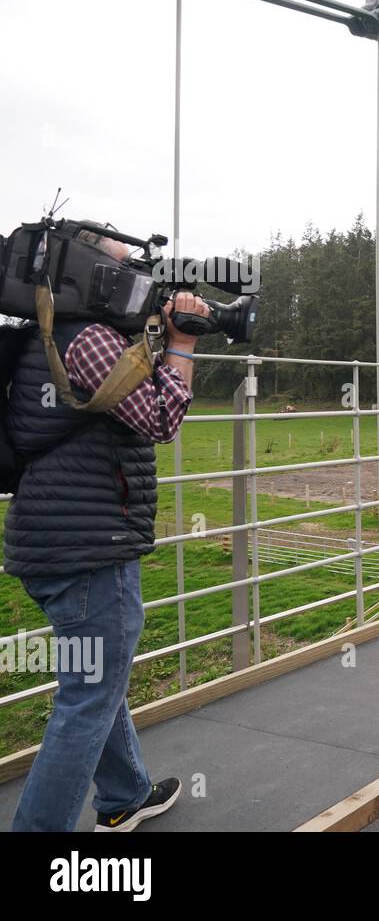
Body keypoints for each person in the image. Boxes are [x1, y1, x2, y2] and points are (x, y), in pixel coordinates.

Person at [7, 230, 208, 832]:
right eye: (124, 270)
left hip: (56, 543)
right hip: (90, 550)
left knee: (95, 677)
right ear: (88, 272)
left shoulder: (52, 333)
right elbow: (161, 417)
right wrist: (181, 343)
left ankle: (124, 795)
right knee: (88, 699)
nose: (136, 282)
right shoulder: (88, 339)